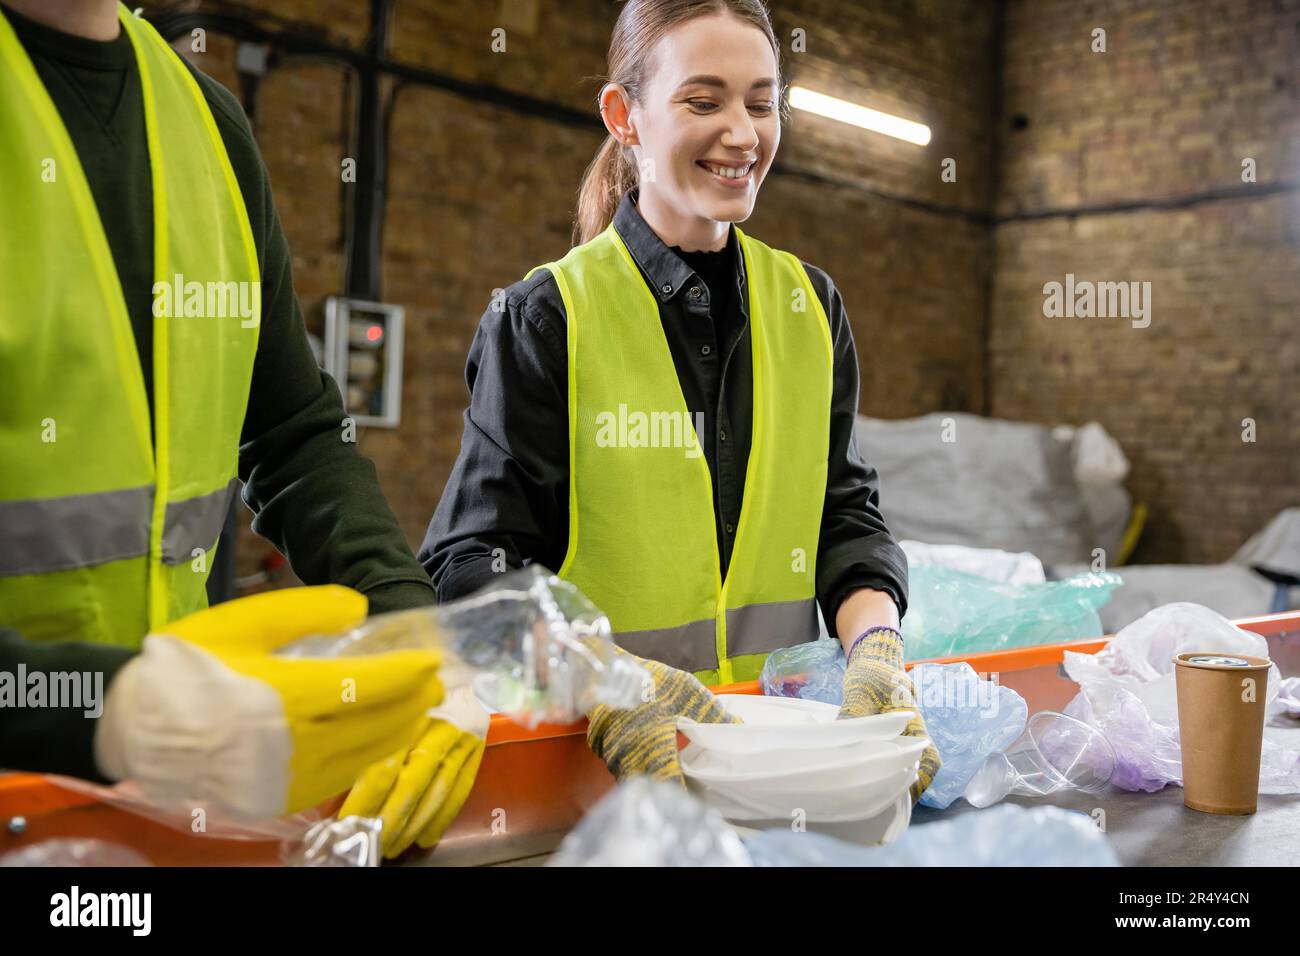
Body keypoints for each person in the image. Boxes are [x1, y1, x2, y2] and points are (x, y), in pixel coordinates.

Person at [422, 0, 940, 798]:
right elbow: (470, 565)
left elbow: (843, 514)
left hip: (780, 764)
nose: (743, 133)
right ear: (623, 115)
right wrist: (607, 685)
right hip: (598, 781)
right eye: (704, 101)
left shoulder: (810, 304)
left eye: (762, 103)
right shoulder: (546, 317)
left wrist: (876, 650)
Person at [0, 1, 477, 853]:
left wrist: (415, 636)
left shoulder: (206, 125)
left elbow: (294, 431)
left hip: (166, 816)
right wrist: (108, 704)